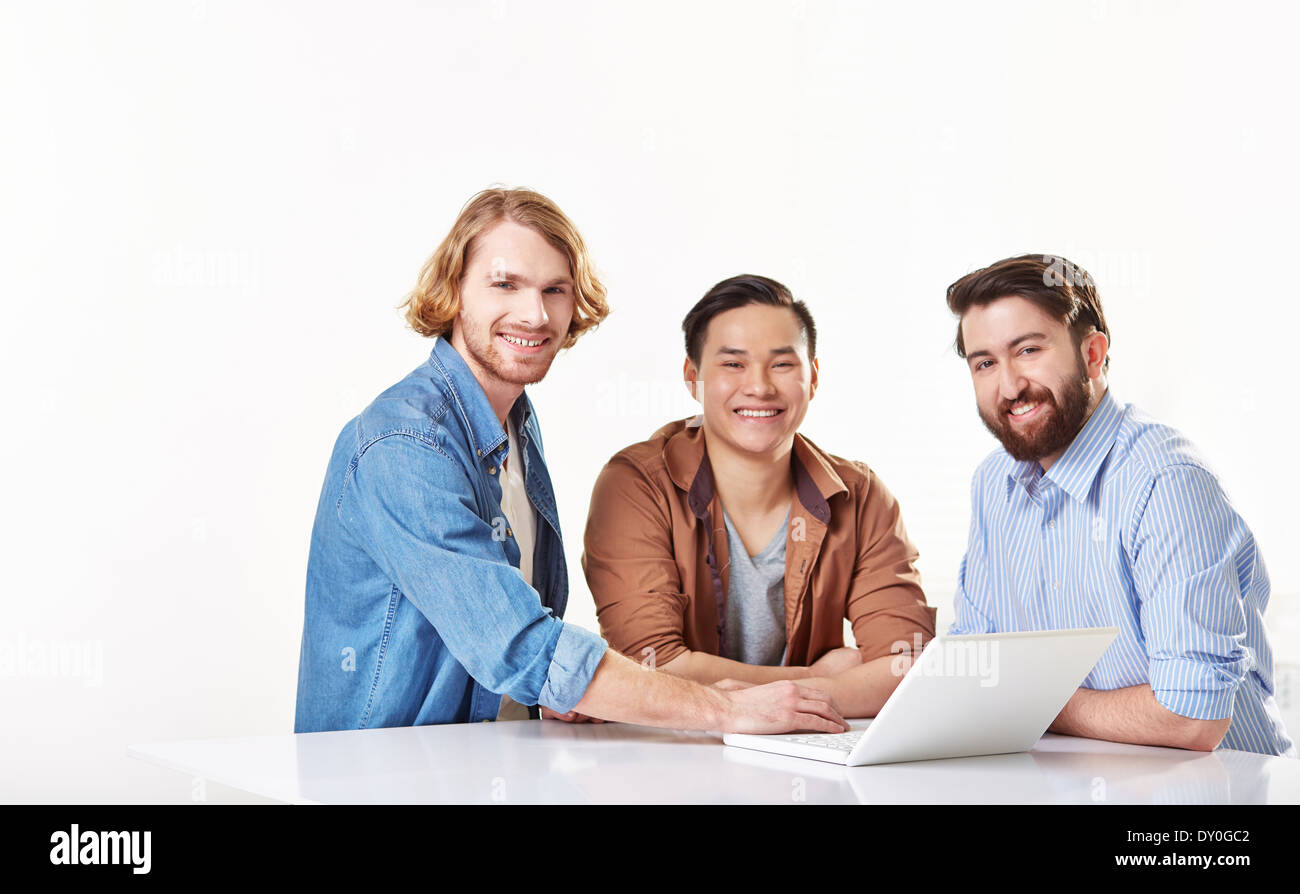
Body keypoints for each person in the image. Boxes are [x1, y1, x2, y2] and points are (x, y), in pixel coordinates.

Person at [293, 189, 847, 736]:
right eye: (505, 284)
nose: (534, 314)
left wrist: (567, 692)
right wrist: (723, 708)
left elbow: (520, 643)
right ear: (454, 289)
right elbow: (521, 646)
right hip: (381, 780)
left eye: (554, 289)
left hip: (491, 764)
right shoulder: (406, 443)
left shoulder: (513, 423)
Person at [945, 253, 1294, 755]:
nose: (1009, 386)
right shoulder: (993, 482)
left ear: (1092, 353)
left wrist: (1035, 705)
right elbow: (973, 667)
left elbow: (1191, 719)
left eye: (1027, 351)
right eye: (985, 363)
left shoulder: (1165, 482)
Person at [582, 274, 937, 718]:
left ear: (813, 378)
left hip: (811, 759)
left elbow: (908, 668)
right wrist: (822, 680)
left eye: (782, 364)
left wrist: (727, 689)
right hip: (672, 755)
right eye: (733, 364)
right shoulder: (636, 484)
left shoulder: (860, 496)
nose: (760, 387)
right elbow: (647, 667)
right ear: (693, 377)